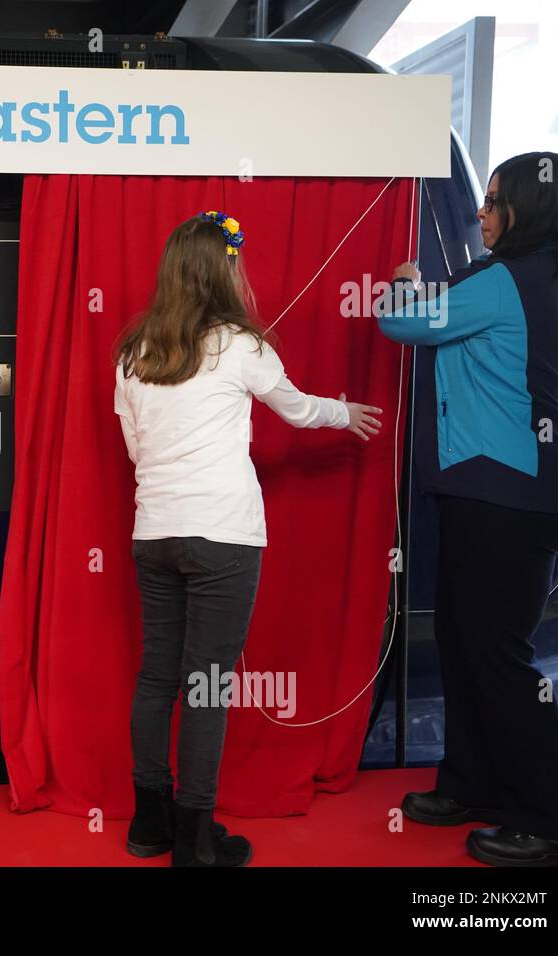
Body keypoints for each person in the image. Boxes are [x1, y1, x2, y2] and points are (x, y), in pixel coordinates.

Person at [115, 212, 382, 867]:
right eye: (234, 259)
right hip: (222, 534)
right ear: (222, 268)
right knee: (205, 683)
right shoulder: (241, 344)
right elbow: (295, 407)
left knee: (158, 678)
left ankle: (149, 826)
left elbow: (133, 446)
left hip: (154, 531)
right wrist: (347, 413)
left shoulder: (134, 350)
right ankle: (197, 842)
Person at [376, 151, 558, 866]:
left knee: (499, 658)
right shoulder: (556, 281)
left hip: (506, 491)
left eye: (493, 200)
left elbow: (402, 326)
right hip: (513, 489)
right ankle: (474, 784)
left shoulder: (503, 280)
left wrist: (405, 290)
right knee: (470, 647)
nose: (481, 211)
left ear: (524, 210)